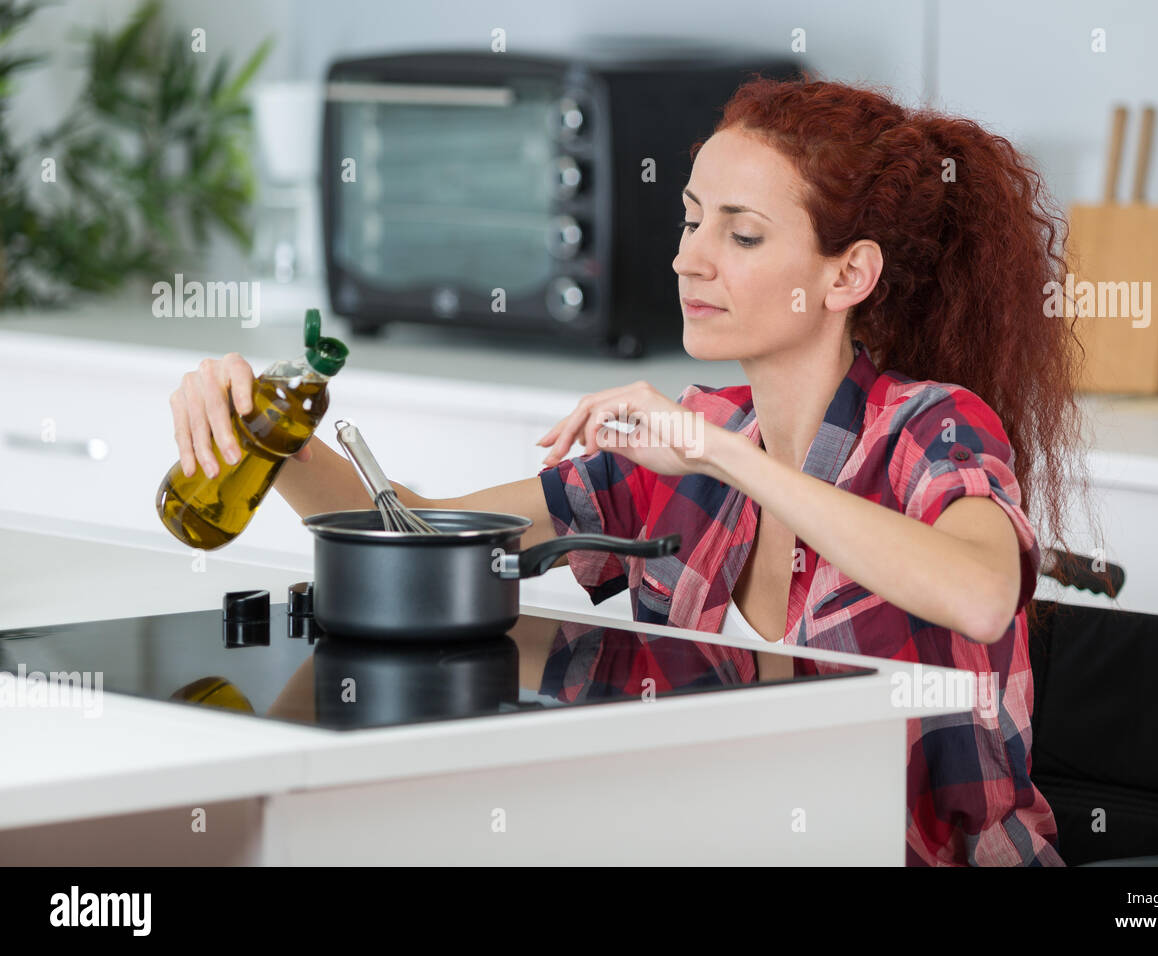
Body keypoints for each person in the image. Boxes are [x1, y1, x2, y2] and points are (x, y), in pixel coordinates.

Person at [169, 74, 1099, 866]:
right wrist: (267, 434)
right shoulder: (681, 452)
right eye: (692, 221)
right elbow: (416, 533)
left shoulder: (932, 430)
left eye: (740, 236)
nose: (687, 258)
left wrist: (723, 456)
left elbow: (980, 593)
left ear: (848, 275)